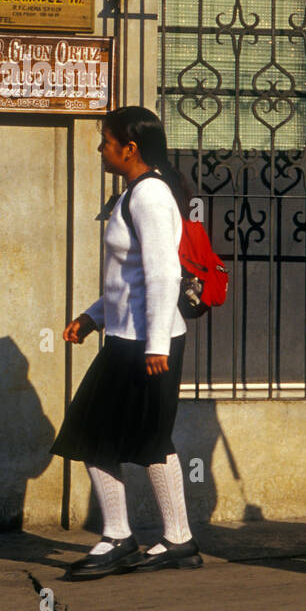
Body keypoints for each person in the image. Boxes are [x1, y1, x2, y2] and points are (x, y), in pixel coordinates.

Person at [52, 106, 202, 579]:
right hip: (128, 336)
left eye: (106, 140)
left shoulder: (150, 196)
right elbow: (129, 278)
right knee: (139, 436)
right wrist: (93, 317)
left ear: (129, 148)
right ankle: (175, 539)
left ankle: (125, 536)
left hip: (145, 343)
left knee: (94, 432)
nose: (101, 149)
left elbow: (162, 275)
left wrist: (157, 344)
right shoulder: (137, 193)